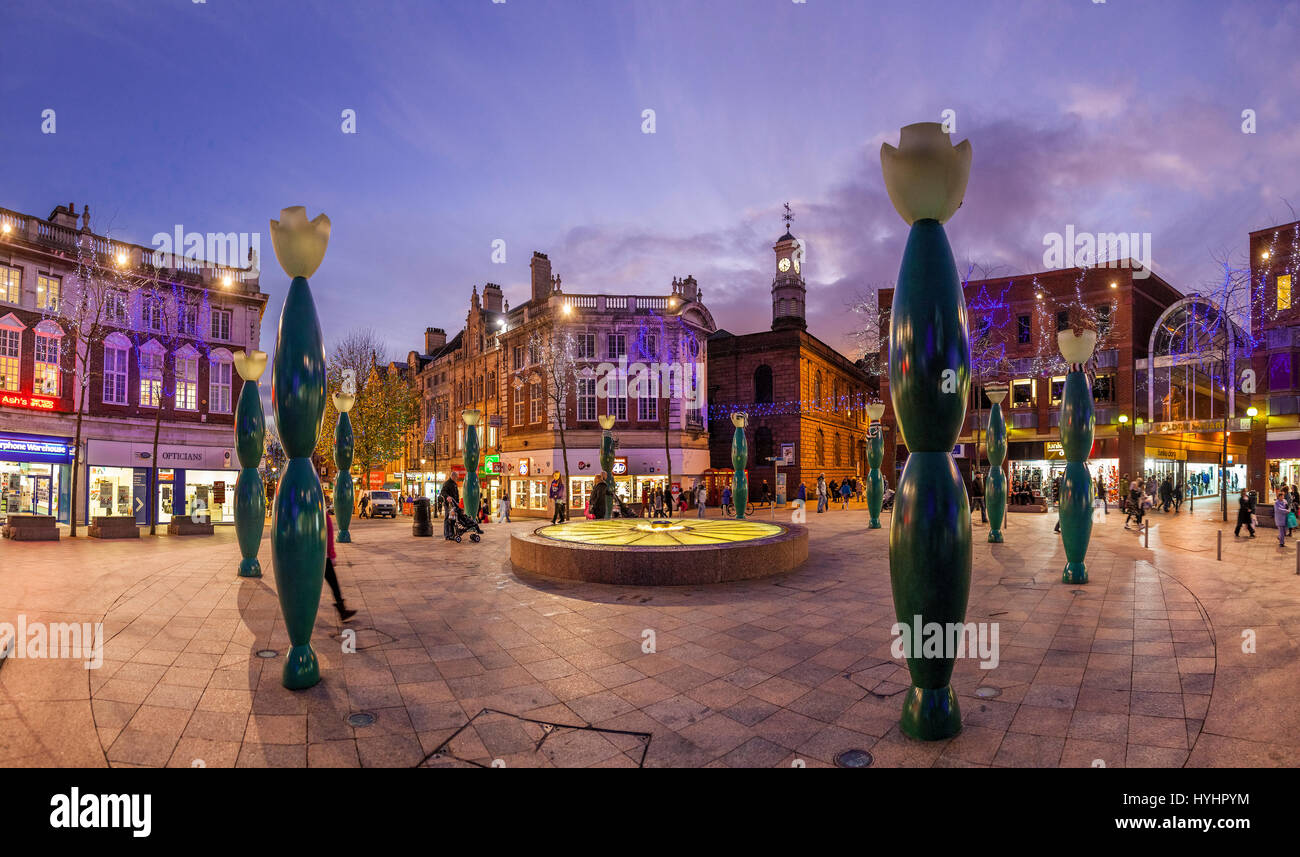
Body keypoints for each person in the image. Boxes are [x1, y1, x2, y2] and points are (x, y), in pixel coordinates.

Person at [324, 506, 357, 621]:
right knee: (333, 583)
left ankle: (341, 608)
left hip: (312, 556)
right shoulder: (323, 516)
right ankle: (341, 609)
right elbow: (329, 536)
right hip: (324, 557)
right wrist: (332, 555)